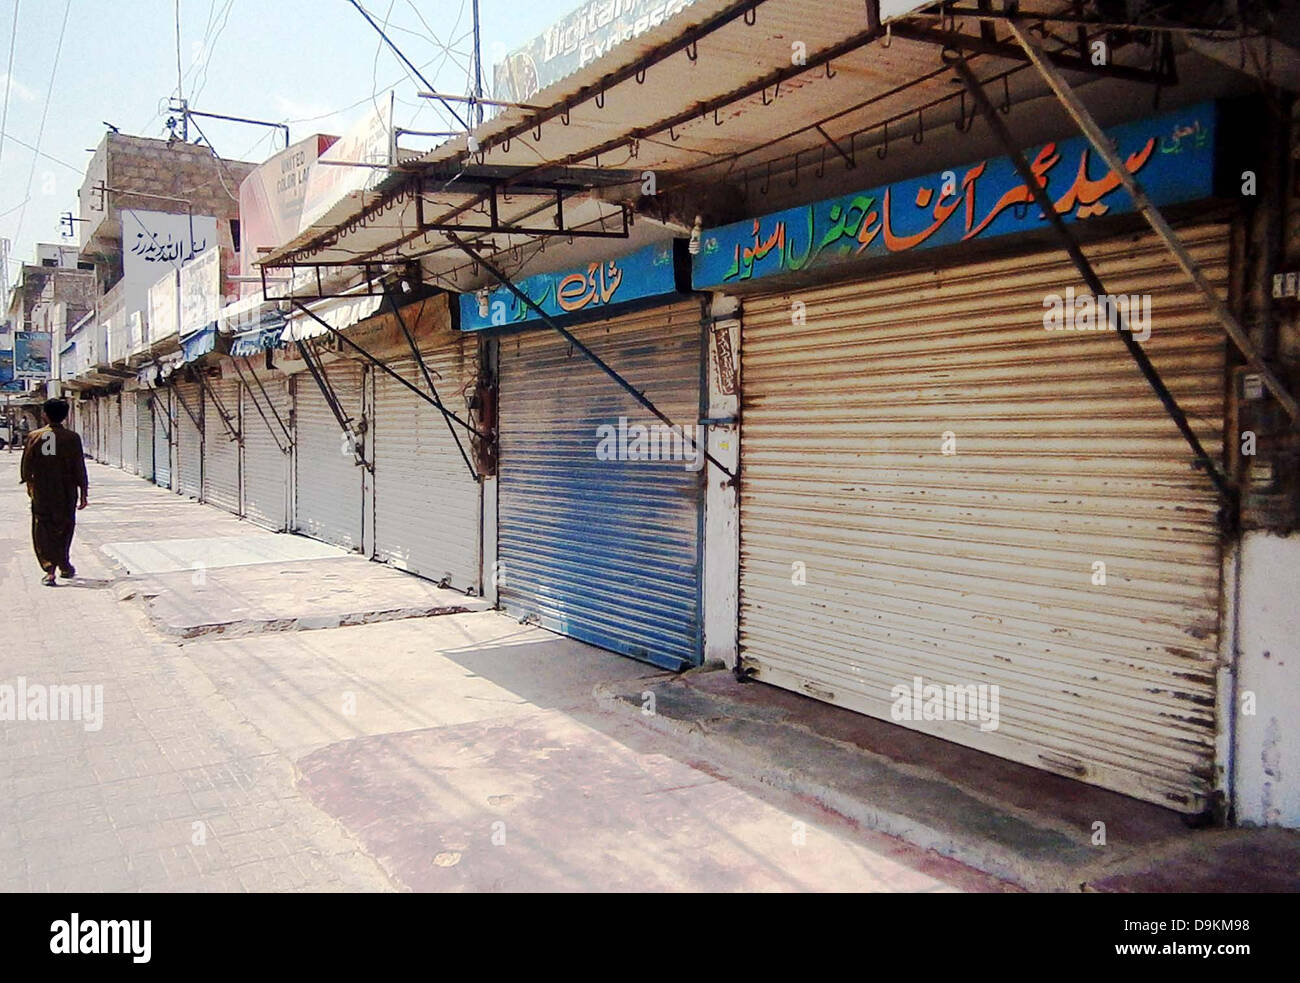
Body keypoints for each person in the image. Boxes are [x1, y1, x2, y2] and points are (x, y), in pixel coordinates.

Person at [19, 398, 89, 586]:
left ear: (44, 415)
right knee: (65, 527)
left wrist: (29, 484)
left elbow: (26, 465)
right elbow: (79, 467)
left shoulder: (34, 436)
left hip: (42, 491)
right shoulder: (72, 438)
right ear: (65, 416)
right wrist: (84, 492)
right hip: (66, 492)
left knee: (42, 529)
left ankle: (49, 570)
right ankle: (64, 564)